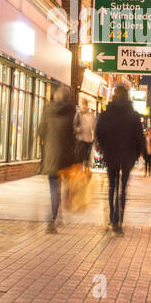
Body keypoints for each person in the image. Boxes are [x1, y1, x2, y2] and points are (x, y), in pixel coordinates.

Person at [95, 84, 146, 233]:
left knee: (112, 187)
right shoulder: (134, 115)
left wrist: (104, 149)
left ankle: (112, 218)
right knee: (123, 188)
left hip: (110, 155)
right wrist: (136, 155)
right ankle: (120, 219)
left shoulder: (106, 114)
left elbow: (99, 133)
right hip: (127, 157)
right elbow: (139, 138)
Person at [38, 85, 77, 232]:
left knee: (54, 187)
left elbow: (41, 132)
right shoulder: (71, 111)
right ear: (67, 98)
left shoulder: (47, 111)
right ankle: (52, 219)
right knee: (59, 188)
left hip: (50, 155)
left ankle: (55, 216)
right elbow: (73, 135)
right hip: (66, 156)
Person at [74, 98, 97, 165]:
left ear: (87, 106)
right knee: (79, 158)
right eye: (82, 105)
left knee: (87, 159)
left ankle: (86, 172)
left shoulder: (91, 115)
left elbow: (94, 127)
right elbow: (74, 125)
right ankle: (80, 172)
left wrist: (94, 139)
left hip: (89, 140)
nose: (84, 107)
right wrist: (77, 129)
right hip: (80, 139)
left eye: (85, 105)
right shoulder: (78, 114)